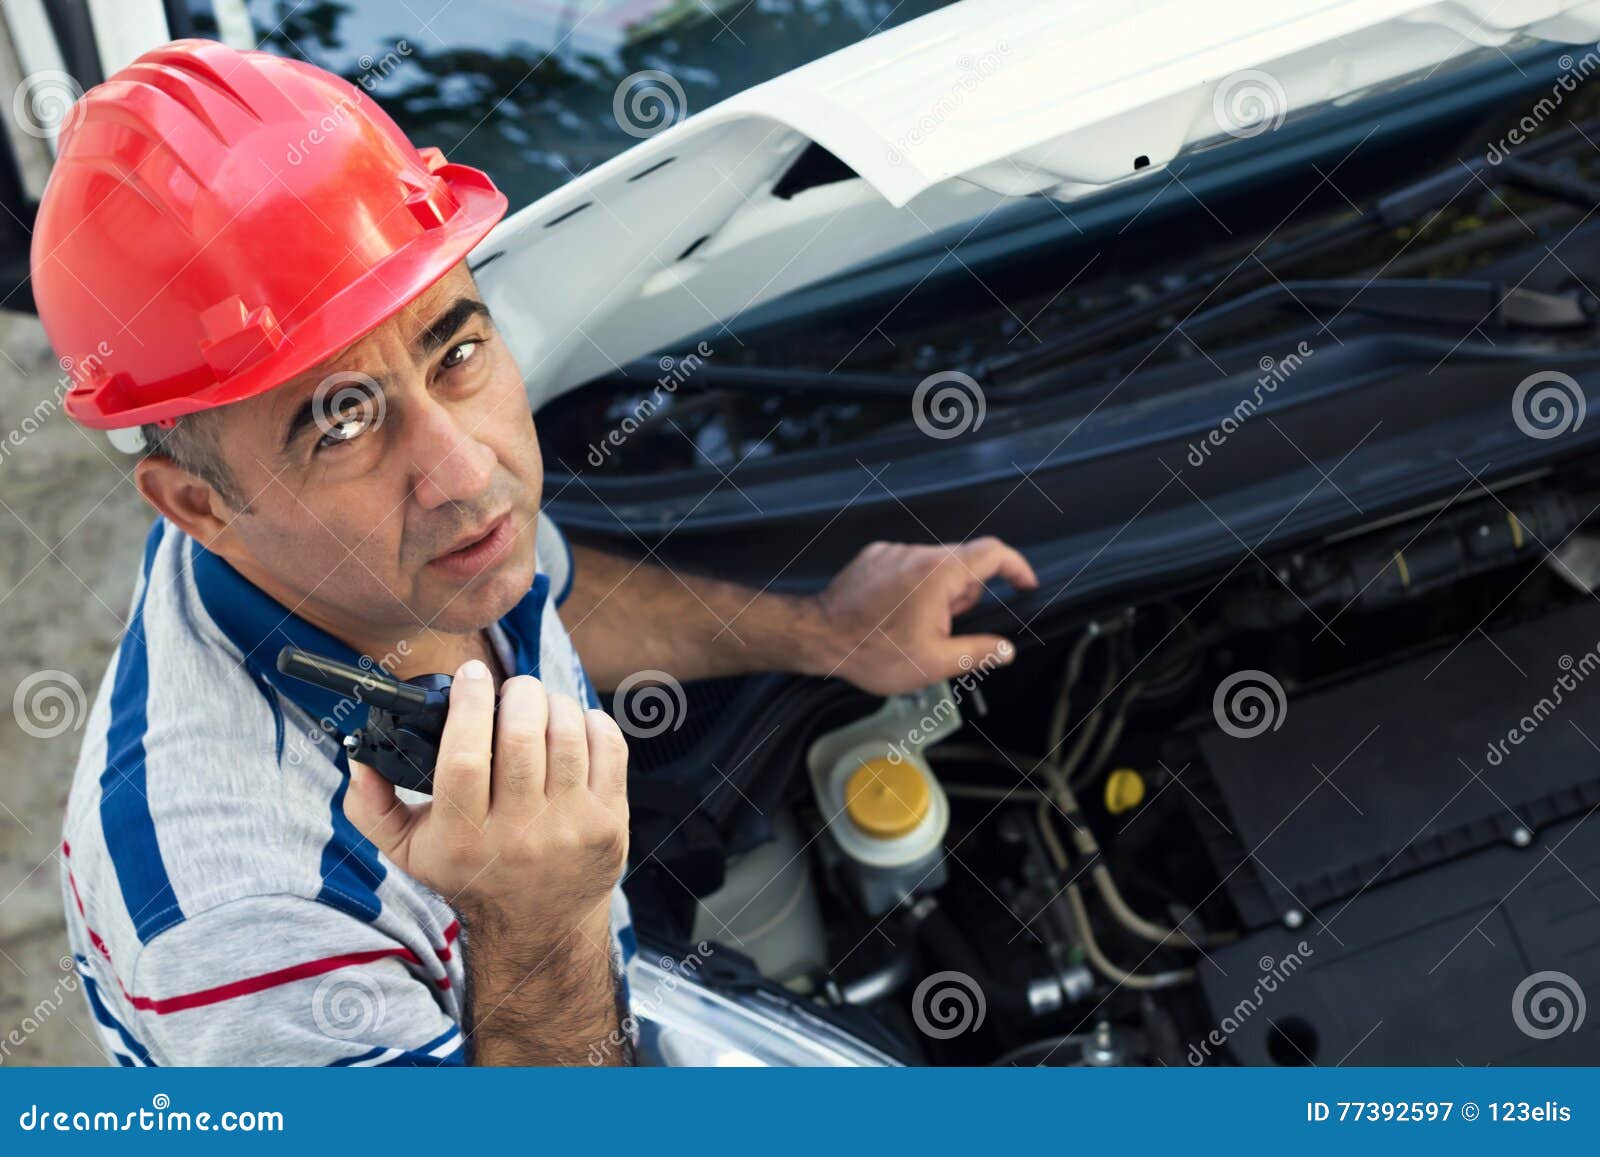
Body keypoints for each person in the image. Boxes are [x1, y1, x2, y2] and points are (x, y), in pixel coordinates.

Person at [34, 39, 1037, 1066]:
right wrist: (545, 923)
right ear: (195, 504)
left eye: (455, 349)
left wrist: (823, 631)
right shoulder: (242, 923)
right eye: (340, 426)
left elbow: (543, 601)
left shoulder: (378, 557)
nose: (465, 472)